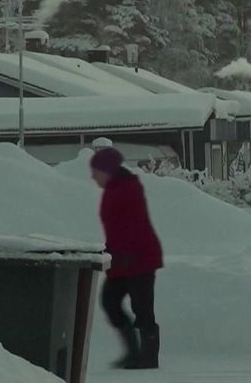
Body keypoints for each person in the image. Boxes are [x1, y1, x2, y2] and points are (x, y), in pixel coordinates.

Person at [91, 147, 163, 370]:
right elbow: (116, 227)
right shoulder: (114, 189)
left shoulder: (128, 188)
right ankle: (133, 353)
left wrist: (127, 254)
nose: (93, 176)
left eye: (96, 171)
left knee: (142, 308)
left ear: (107, 170)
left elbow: (135, 225)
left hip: (139, 258)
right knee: (110, 301)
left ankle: (148, 358)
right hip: (122, 260)